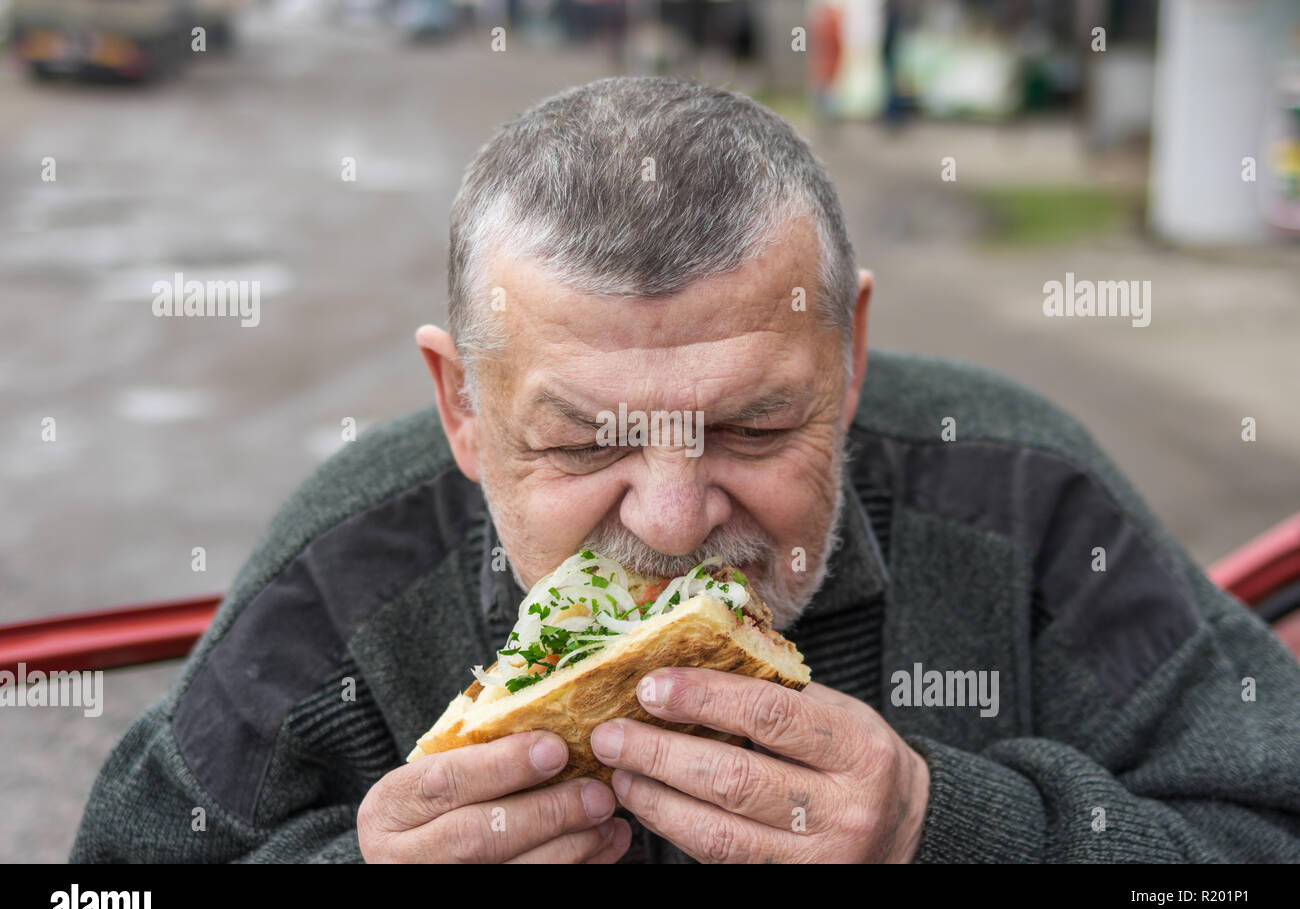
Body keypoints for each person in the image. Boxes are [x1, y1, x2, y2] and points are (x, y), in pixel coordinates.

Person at [72, 76, 1300, 863]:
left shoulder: (1024, 499)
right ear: (459, 404)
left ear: (851, 353)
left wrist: (947, 832)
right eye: (583, 442)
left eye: (755, 428)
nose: (669, 521)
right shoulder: (340, 572)